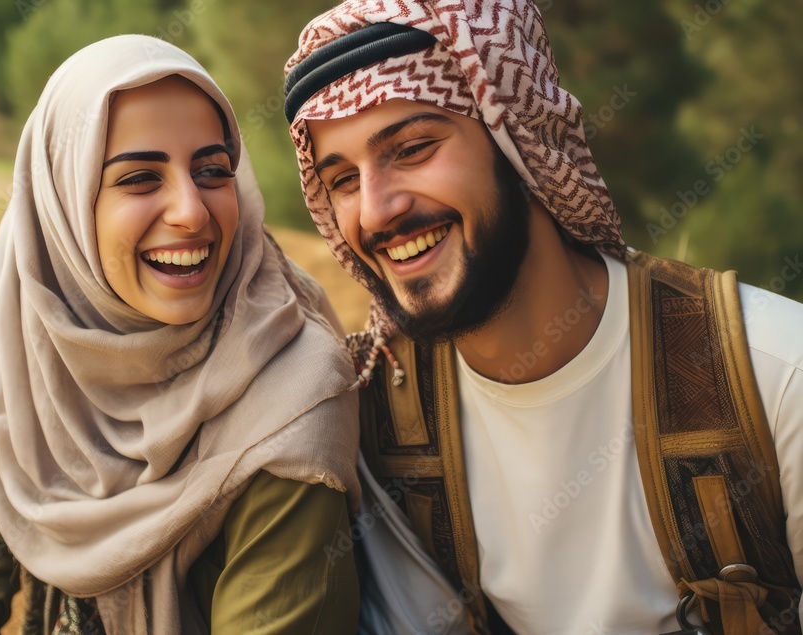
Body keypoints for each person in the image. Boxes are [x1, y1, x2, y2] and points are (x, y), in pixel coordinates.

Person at [283, 1, 803, 633]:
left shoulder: (776, 374)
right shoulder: (378, 416)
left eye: (414, 148)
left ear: (519, 139)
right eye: (341, 181)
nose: (375, 211)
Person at [0, 35, 364, 634]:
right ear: (61, 206)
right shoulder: (26, 338)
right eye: (140, 177)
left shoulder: (292, 402)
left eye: (212, 170)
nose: (192, 212)